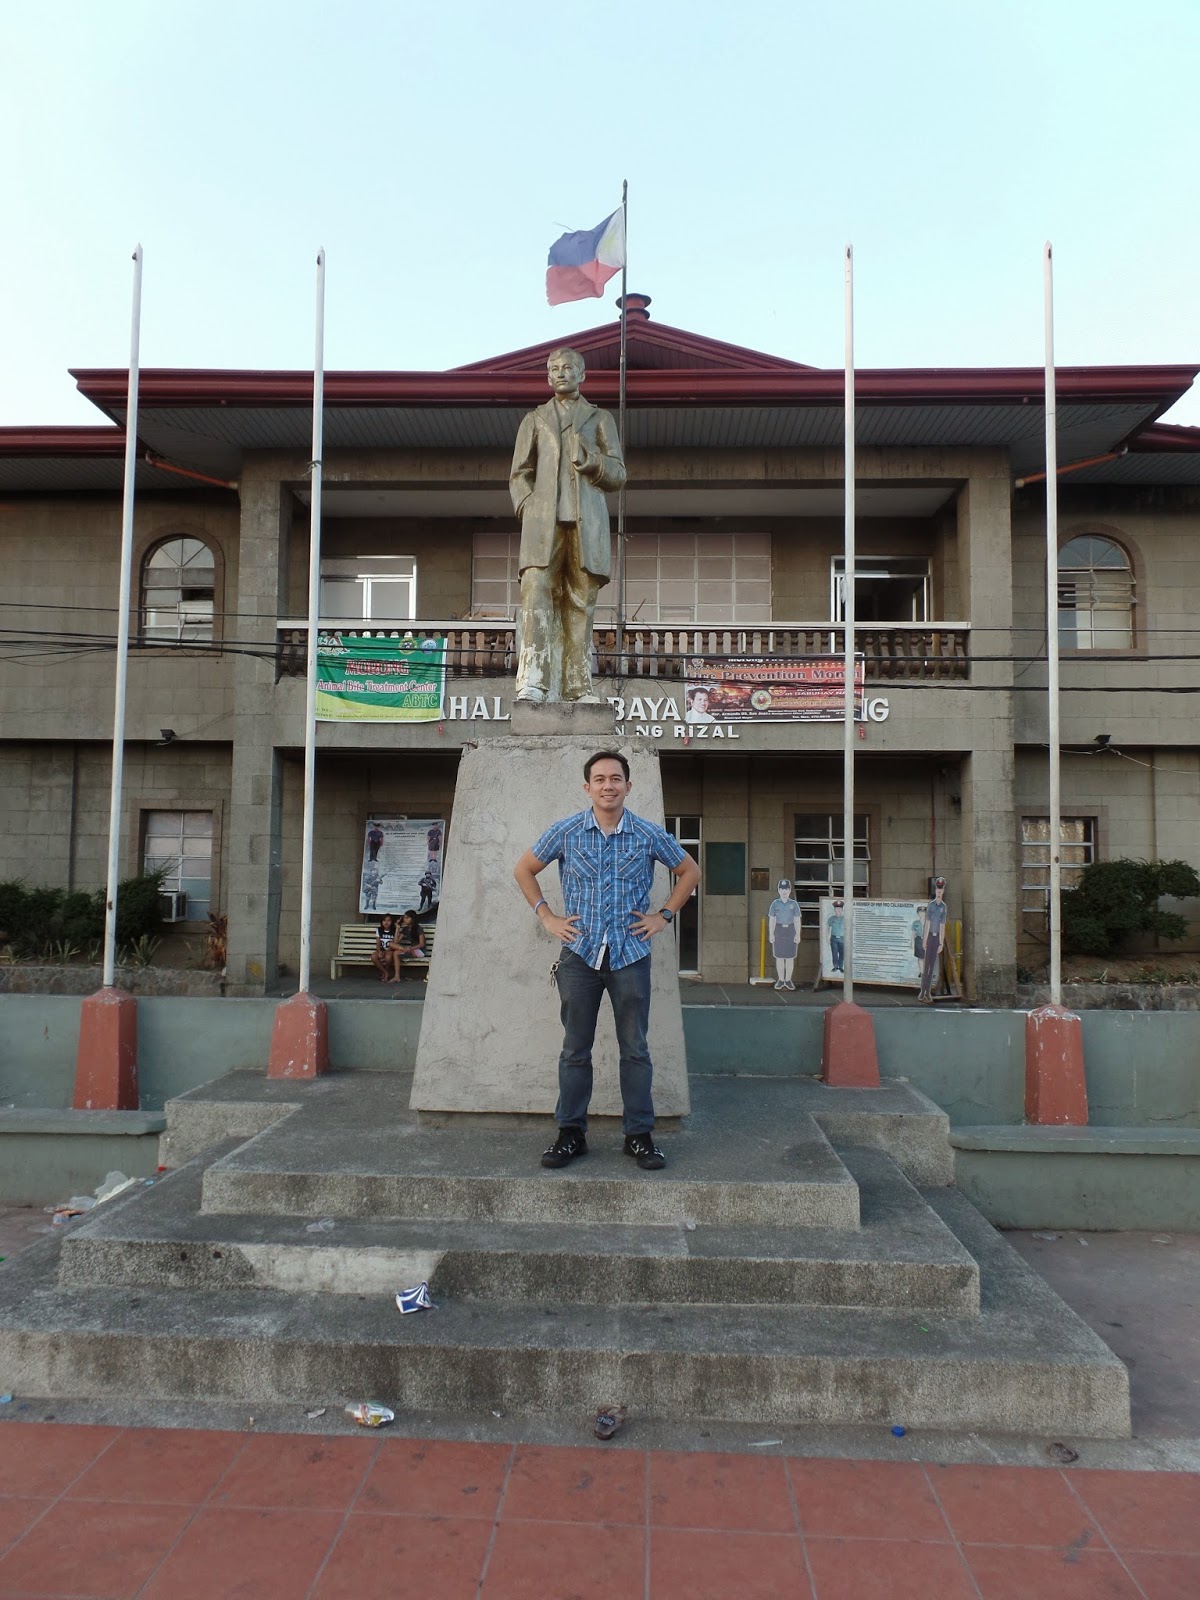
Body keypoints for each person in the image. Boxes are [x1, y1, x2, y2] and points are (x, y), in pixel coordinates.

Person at [513, 750, 701, 1170]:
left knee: (635, 1049)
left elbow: (689, 871)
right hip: (579, 956)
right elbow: (524, 869)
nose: (608, 785)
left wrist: (664, 915)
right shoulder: (566, 832)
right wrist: (547, 917)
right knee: (574, 1050)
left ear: (628, 786)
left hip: (630, 956)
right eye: (599, 779)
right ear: (588, 788)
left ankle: (639, 1135)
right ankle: (570, 1133)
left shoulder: (648, 834)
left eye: (616, 778)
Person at [509, 348, 626, 704]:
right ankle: (532, 683)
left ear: (582, 374)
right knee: (536, 598)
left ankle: (578, 687)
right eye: (554, 369)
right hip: (541, 526)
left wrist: (591, 461)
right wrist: (530, 507)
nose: (561, 373)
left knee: (580, 602)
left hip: (585, 523)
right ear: (547, 377)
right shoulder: (534, 419)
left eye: (568, 368)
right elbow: (519, 474)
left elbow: (619, 474)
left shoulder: (600, 418)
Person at [918, 877, 949, 1003]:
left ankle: (927, 992)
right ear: (935, 889)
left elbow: (942, 925)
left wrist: (941, 942)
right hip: (930, 937)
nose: (939, 891)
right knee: (926, 967)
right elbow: (927, 923)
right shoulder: (931, 906)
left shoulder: (943, 907)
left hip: (937, 939)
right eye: (937, 889)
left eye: (941, 889)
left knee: (932, 965)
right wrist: (925, 939)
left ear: (943, 891)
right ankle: (923, 992)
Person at [768, 877, 801, 991]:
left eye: (786, 888)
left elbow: (797, 919)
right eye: (782, 889)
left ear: (790, 890)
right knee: (780, 957)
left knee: (790, 957)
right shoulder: (775, 904)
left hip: (790, 930)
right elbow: (772, 919)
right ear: (778, 890)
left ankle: (788, 980)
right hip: (779, 930)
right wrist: (771, 934)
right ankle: (781, 979)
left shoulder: (794, 904)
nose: (784, 891)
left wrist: (798, 934)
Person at [372, 913, 399, 982]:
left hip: (390, 950)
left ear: (392, 922)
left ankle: (386, 971)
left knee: (388, 957)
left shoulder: (394, 930)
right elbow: (378, 943)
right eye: (384, 920)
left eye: (388, 920)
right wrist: (379, 951)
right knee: (373, 957)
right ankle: (385, 972)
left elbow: (395, 943)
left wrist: (397, 930)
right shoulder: (379, 930)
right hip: (381, 949)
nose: (386, 923)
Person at [828, 899, 845, 975]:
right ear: (834, 910)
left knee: (842, 953)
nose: (838, 910)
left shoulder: (845, 919)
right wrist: (827, 938)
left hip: (842, 938)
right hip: (834, 938)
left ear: (842, 910)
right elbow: (828, 928)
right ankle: (835, 966)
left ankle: (841, 967)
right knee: (834, 953)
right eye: (837, 909)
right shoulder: (831, 919)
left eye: (840, 909)